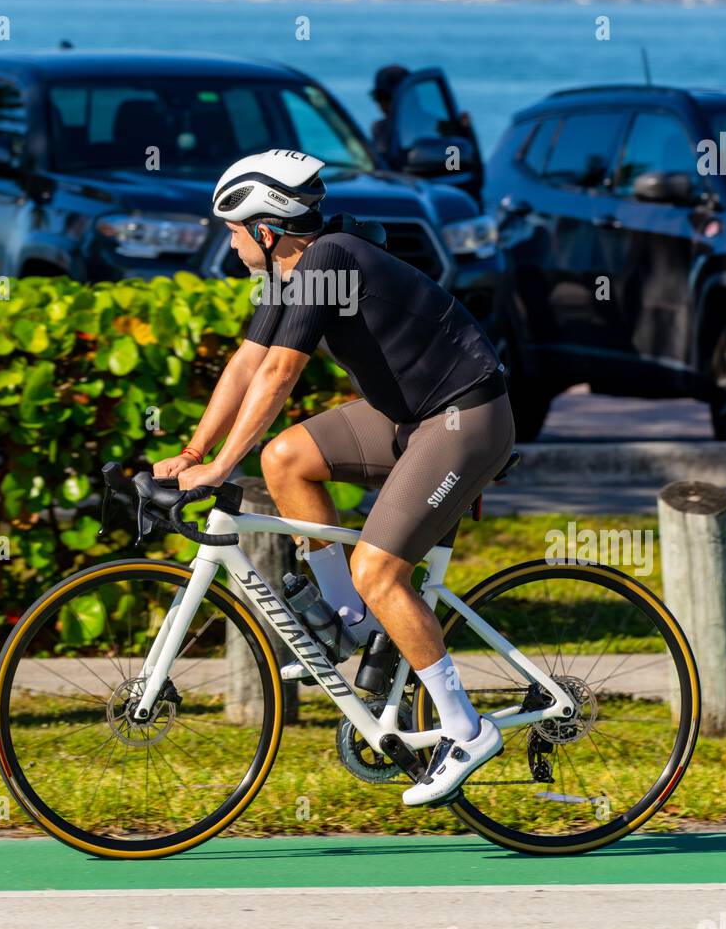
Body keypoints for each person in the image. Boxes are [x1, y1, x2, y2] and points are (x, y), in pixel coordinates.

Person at [152, 149, 515, 806]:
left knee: (381, 570)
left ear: (266, 230)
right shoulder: (297, 272)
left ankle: (464, 728)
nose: (229, 244)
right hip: (410, 418)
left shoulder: (328, 260)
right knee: (286, 458)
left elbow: (280, 376)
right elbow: (248, 361)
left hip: (466, 421)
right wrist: (194, 450)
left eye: (233, 231)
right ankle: (347, 619)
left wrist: (220, 467)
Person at [369, 63, 410, 155]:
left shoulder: (428, 128)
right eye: (378, 97)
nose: (382, 103)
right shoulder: (380, 129)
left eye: (387, 97)